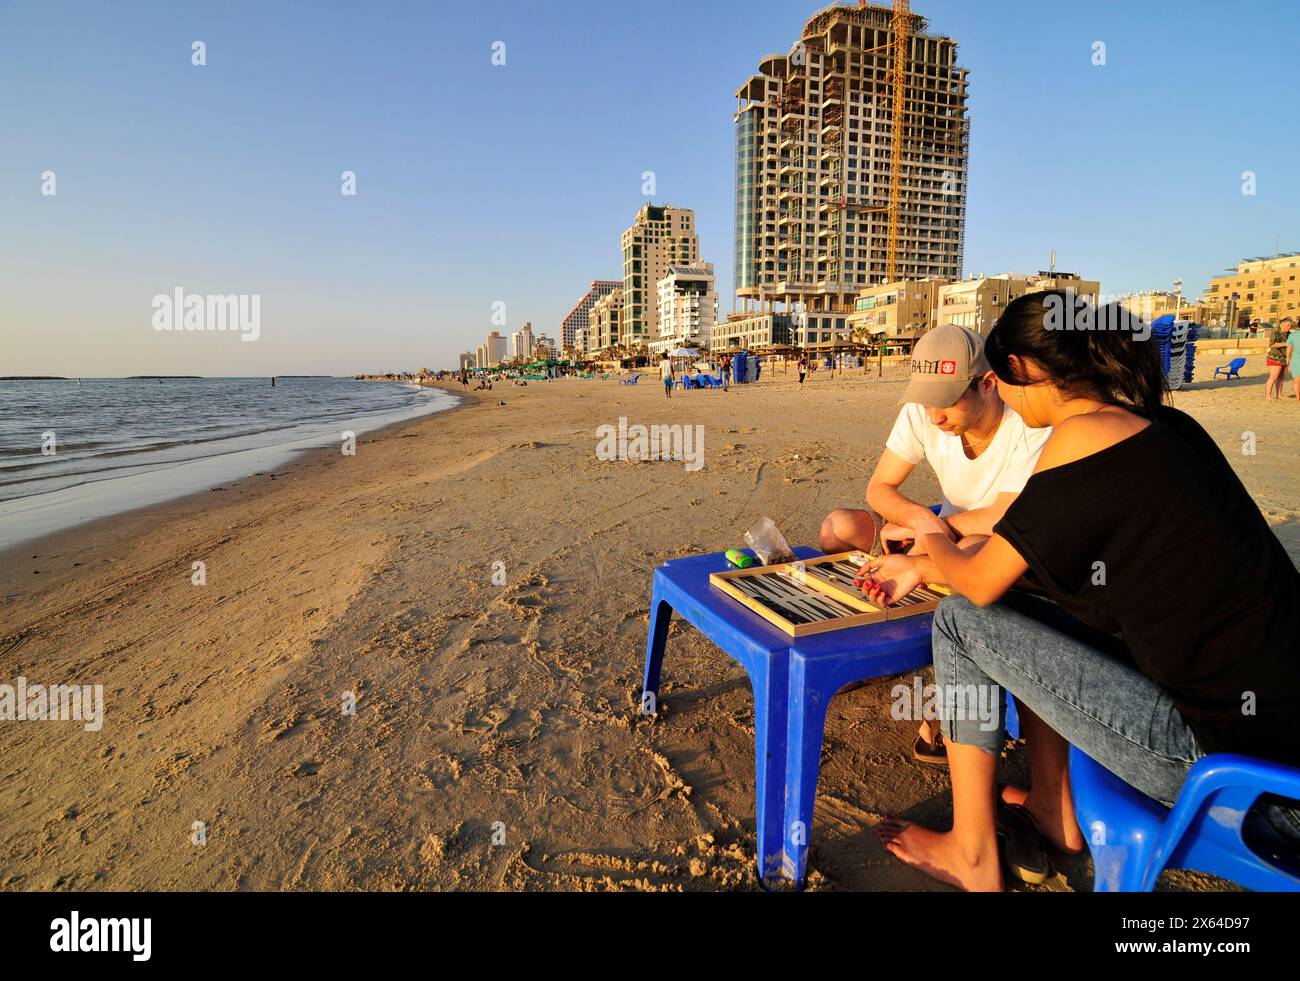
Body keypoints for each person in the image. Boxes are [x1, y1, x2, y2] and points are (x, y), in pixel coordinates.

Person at [861, 292, 1300, 891]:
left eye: (1001, 381)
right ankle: (1050, 807)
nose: (1004, 398)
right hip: (1279, 744)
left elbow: (980, 582)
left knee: (961, 622)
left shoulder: (1077, 440)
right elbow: (1049, 546)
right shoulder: (1163, 427)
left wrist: (931, 544)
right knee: (1037, 608)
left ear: (1020, 370)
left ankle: (972, 851)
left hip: (1241, 779)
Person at [820, 324, 1049, 764]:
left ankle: (942, 697)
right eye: (925, 398)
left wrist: (930, 538)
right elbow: (880, 489)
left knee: (976, 546)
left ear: (988, 383)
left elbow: (1006, 518)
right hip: (942, 530)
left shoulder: (1027, 423)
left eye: (945, 400)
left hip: (996, 547)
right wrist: (923, 520)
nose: (933, 414)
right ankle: (860, 654)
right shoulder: (924, 411)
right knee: (838, 527)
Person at [1266, 320, 1289, 400]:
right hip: (1275, 357)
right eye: (1288, 325)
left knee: (1282, 378)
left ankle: (1279, 394)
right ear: (1282, 325)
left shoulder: (1289, 334)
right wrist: (1285, 344)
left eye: (1290, 325)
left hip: (1285, 358)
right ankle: (1268, 395)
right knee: (1274, 377)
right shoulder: (1275, 333)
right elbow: (1272, 344)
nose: (1289, 327)